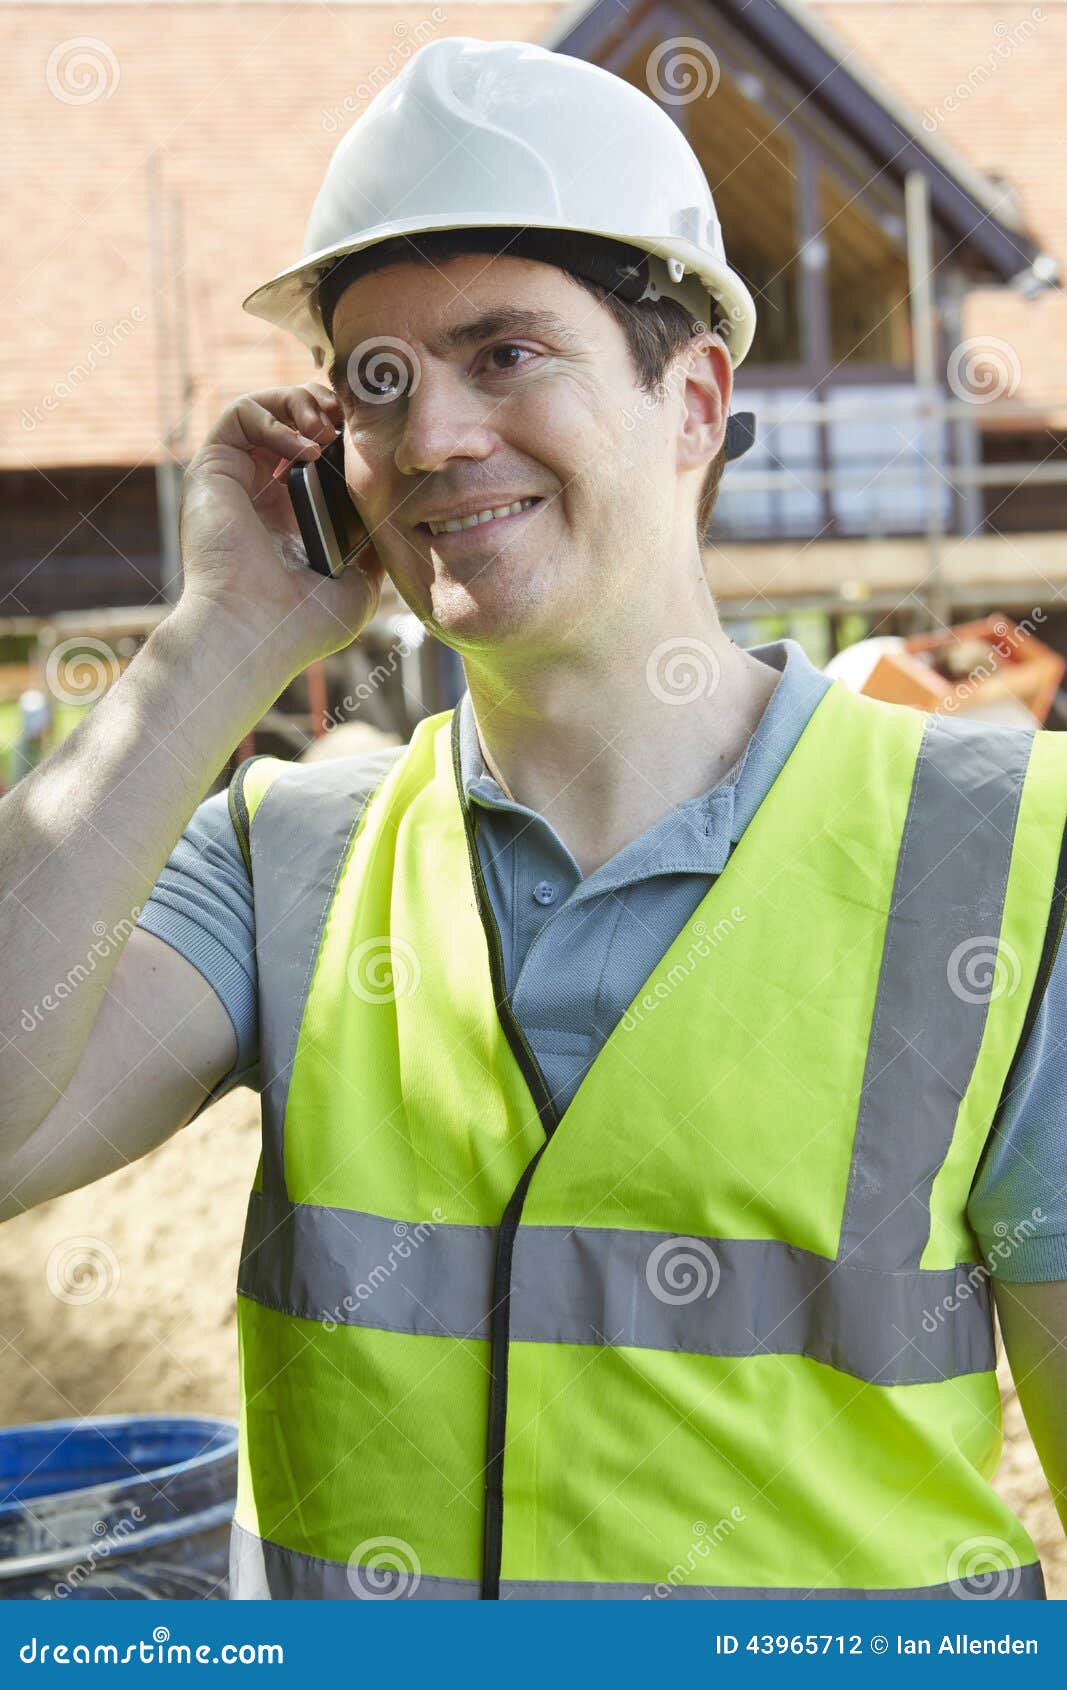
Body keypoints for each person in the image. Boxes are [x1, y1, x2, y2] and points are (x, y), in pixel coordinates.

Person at [2, 36, 1065, 1603]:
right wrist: (222, 637)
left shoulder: (1001, 858)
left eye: (506, 355)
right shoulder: (280, 858)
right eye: (380, 380)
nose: (433, 437)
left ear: (694, 399)